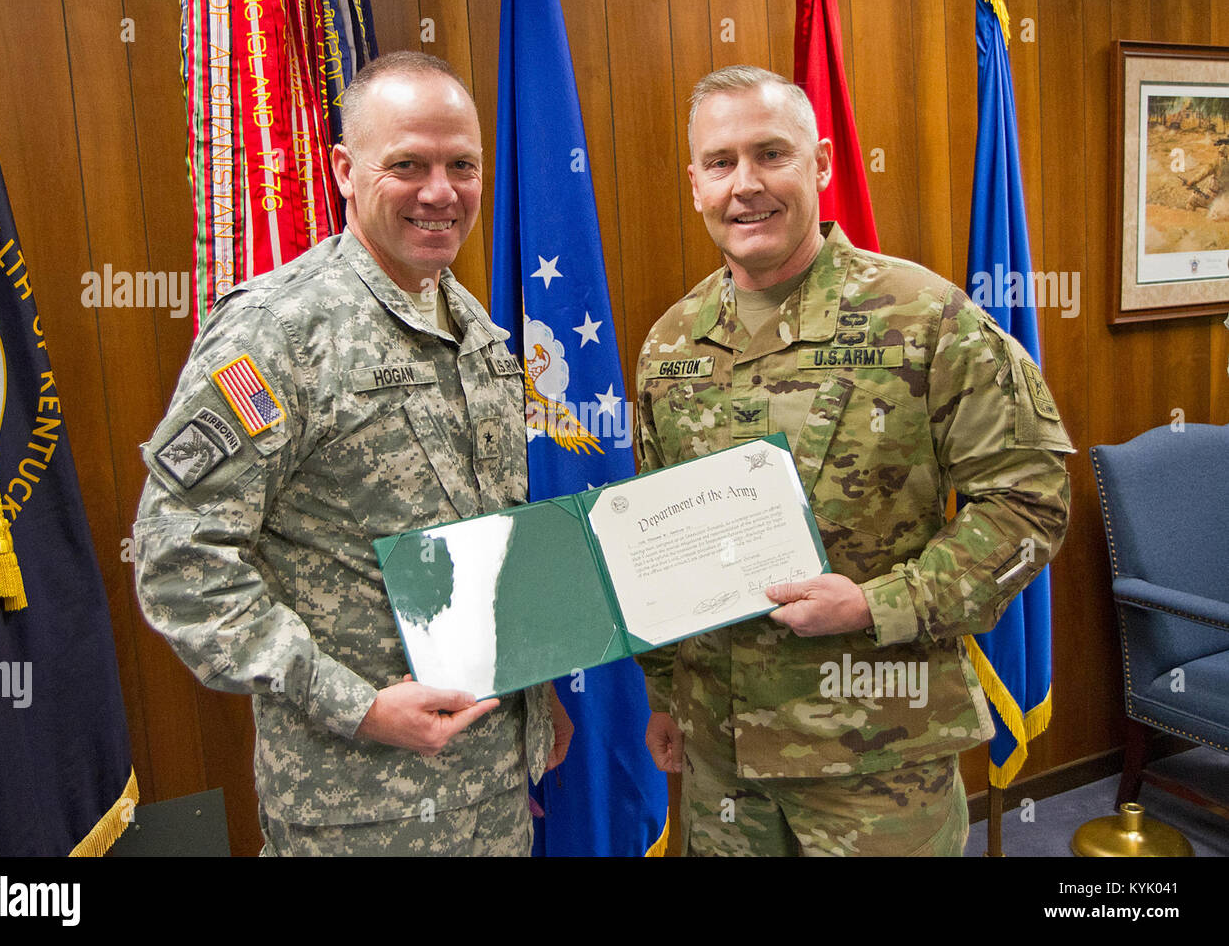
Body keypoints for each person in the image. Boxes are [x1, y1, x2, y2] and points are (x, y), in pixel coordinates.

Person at [134, 51, 570, 856]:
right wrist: (356, 704)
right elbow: (179, 564)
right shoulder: (279, 332)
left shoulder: (477, 332)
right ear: (343, 168)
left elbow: (489, 542)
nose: (440, 192)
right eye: (407, 164)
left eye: (462, 165)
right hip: (359, 812)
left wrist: (539, 696)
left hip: (497, 794)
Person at [634, 65, 1073, 856]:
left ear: (823, 164)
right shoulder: (670, 344)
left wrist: (879, 603)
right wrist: (665, 695)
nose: (747, 186)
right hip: (720, 763)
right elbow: (661, 539)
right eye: (722, 162)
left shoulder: (925, 318)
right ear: (695, 182)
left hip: (876, 761)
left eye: (773, 154)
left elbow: (1030, 501)